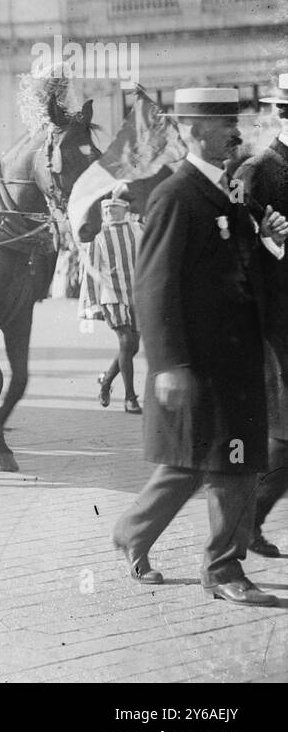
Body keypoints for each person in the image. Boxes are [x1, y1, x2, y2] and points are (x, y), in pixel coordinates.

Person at [113, 87, 288, 606]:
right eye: (221, 124)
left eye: (233, 120)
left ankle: (131, 532)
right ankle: (224, 569)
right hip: (200, 361)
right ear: (192, 132)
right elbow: (153, 286)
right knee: (225, 464)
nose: (234, 131)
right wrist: (167, 365)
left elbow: (249, 271)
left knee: (201, 464)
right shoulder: (176, 196)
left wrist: (268, 241)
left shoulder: (233, 194)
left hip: (239, 359)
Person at [234, 71, 288, 557]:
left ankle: (248, 522)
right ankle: (245, 522)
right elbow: (240, 254)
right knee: (285, 437)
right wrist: (274, 242)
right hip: (278, 323)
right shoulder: (259, 170)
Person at [83, 185, 143, 413]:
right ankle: (130, 398)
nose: (109, 212)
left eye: (114, 208)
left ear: (125, 209)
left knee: (132, 347)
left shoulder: (137, 230)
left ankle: (106, 381)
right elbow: (91, 271)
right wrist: (94, 304)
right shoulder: (97, 236)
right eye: (106, 209)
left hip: (136, 295)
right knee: (127, 343)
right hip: (112, 296)